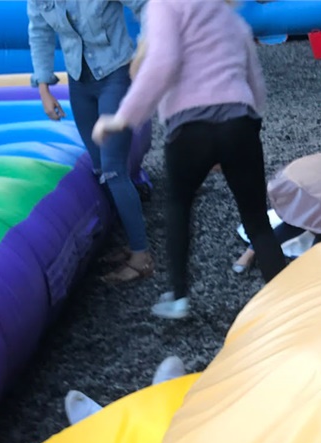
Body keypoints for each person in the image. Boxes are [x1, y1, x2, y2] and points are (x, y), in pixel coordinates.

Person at [93, 0, 287, 319]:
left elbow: (162, 61)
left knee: (179, 206)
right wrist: (248, 125)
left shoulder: (164, 5)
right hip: (239, 122)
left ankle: (179, 298)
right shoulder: (229, 18)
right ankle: (288, 308)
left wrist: (123, 118)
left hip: (189, 128)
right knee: (257, 221)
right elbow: (255, 81)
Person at [28, 0, 153, 285]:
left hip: (116, 74)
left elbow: (146, 7)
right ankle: (128, 240)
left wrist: (144, 53)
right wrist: (44, 88)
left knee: (113, 168)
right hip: (79, 80)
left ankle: (142, 256)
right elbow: (39, 32)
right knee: (99, 167)